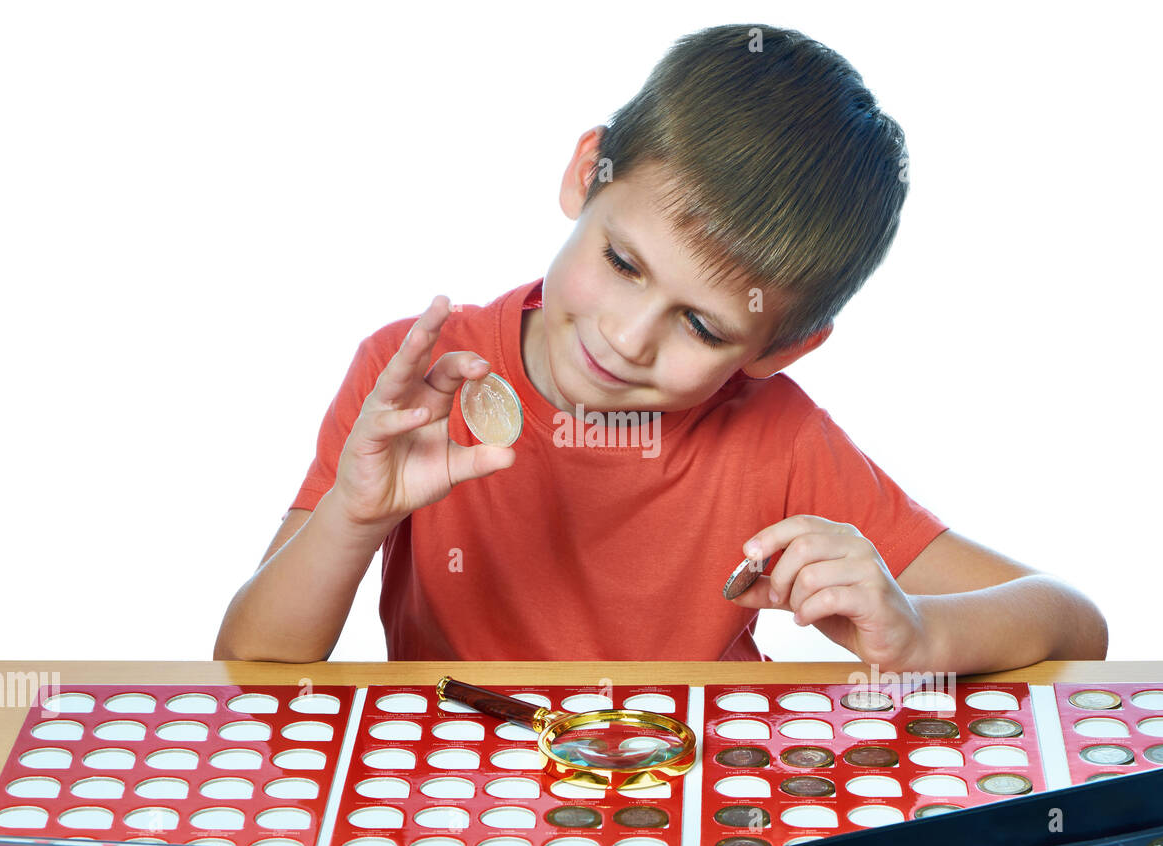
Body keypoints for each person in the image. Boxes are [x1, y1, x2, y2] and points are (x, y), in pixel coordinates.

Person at [215, 23, 1107, 669]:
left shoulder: (779, 444)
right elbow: (252, 657)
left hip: (695, 814)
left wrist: (919, 632)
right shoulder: (413, 380)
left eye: (703, 325)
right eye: (623, 261)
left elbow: (1073, 624)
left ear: (780, 350)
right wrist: (355, 516)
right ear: (584, 173)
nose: (626, 337)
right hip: (454, 809)